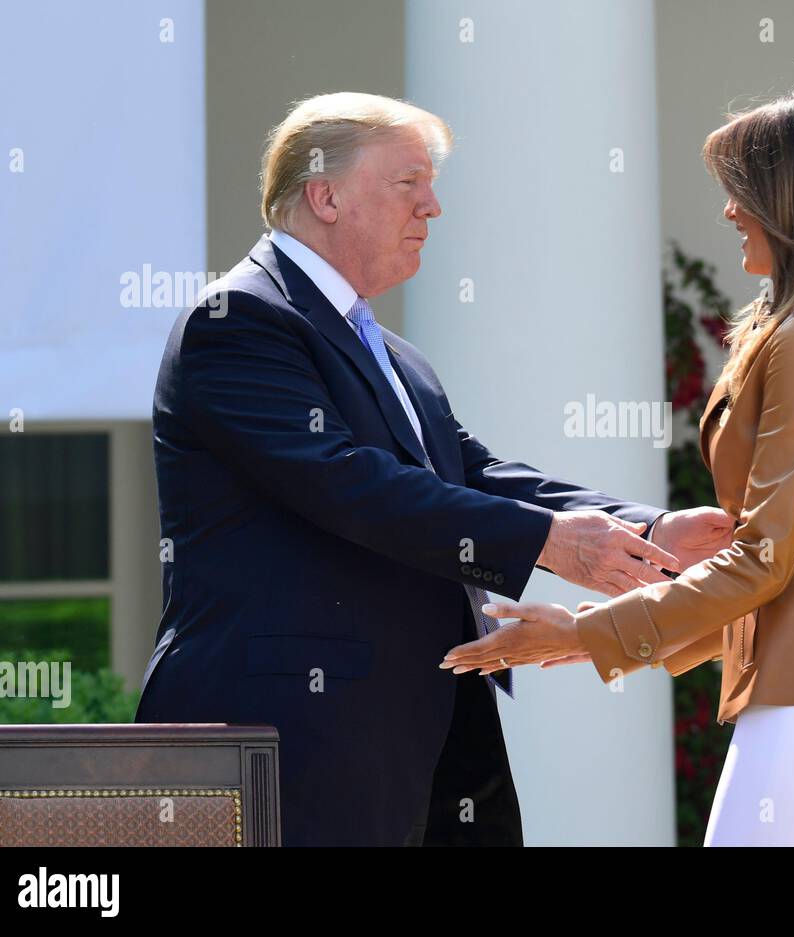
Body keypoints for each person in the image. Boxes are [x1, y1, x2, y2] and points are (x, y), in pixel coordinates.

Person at [134, 92, 733, 846]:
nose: (433, 207)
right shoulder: (238, 321)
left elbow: (469, 472)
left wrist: (645, 527)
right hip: (287, 738)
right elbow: (346, 482)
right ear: (325, 194)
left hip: (422, 742)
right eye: (408, 183)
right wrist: (549, 540)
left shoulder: (394, 353)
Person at [443, 81, 794, 846]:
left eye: (741, 189)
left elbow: (764, 562)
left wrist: (585, 634)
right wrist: (595, 631)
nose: (728, 209)